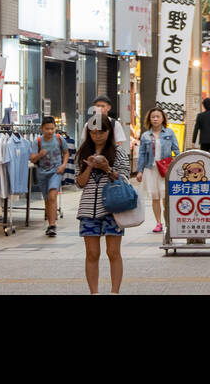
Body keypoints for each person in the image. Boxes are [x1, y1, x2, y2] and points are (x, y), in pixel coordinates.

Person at [76, 109, 130, 294]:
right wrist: (89, 167)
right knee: (92, 253)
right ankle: (94, 292)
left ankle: (115, 291)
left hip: (113, 209)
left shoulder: (119, 152)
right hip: (88, 209)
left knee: (113, 252)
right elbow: (80, 183)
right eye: (93, 132)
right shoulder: (83, 152)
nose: (97, 136)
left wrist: (107, 168)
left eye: (101, 132)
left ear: (109, 132)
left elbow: (124, 180)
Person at [135, 107, 181, 234]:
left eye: (158, 117)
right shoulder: (145, 135)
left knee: (166, 196)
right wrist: (139, 171)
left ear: (162, 119)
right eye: (153, 117)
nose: (155, 119)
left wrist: (180, 165)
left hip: (165, 169)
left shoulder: (169, 133)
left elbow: (176, 150)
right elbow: (142, 154)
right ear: (149, 119)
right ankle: (158, 223)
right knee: (155, 197)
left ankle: (168, 223)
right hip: (151, 170)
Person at [31, 115, 70, 237]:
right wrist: (39, 155)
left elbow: (66, 152)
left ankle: (52, 225)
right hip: (42, 173)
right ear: (42, 128)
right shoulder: (37, 141)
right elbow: (32, 159)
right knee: (47, 199)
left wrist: (63, 165)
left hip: (56, 172)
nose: (50, 131)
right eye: (47, 129)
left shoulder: (59, 139)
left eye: (52, 128)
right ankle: (50, 223)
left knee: (52, 196)